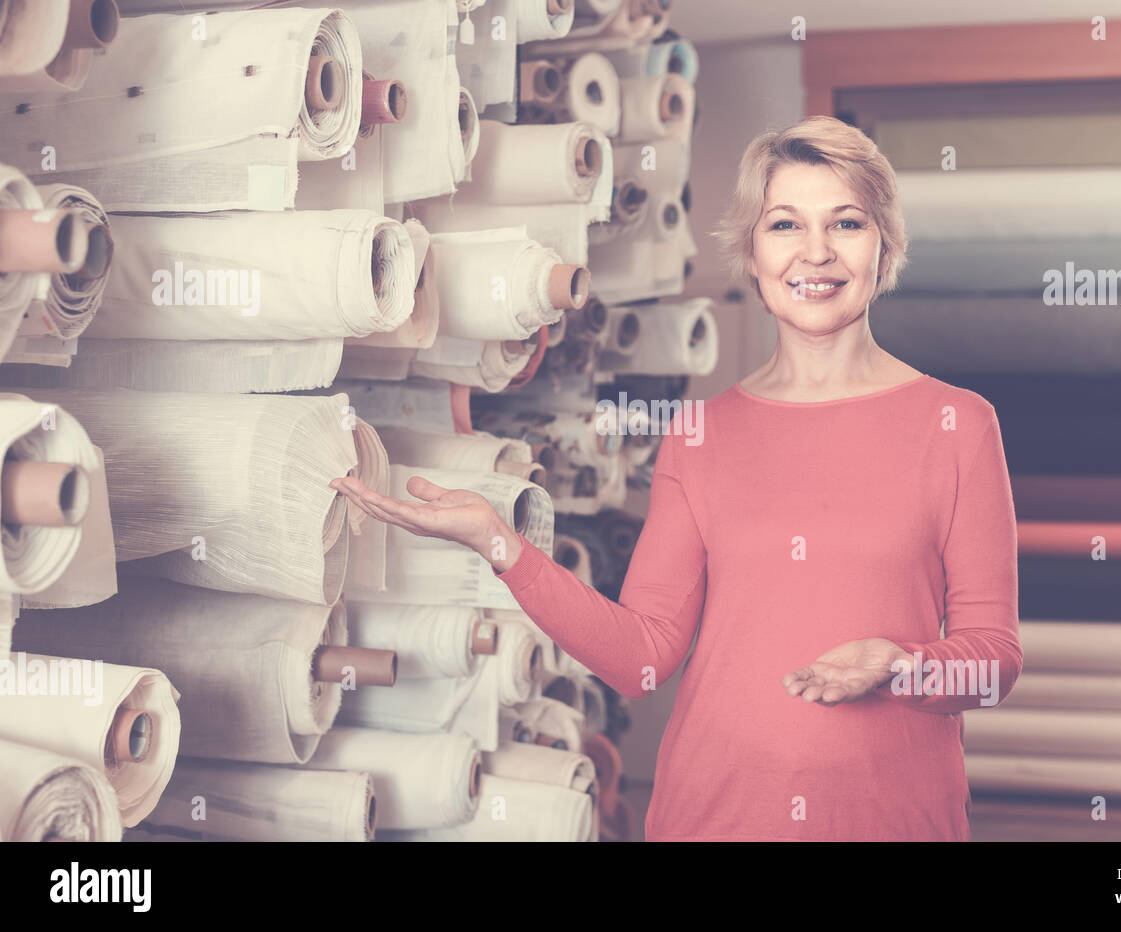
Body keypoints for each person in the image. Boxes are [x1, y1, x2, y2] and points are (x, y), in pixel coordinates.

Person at [331, 115, 1021, 841]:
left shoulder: (957, 424)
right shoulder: (702, 434)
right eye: (785, 224)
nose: (815, 251)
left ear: (883, 249)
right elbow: (643, 658)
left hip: (893, 821)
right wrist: (500, 545)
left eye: (846, 222)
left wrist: (901, 666)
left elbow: (993, 665)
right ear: (752, 254)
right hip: (714, 816)